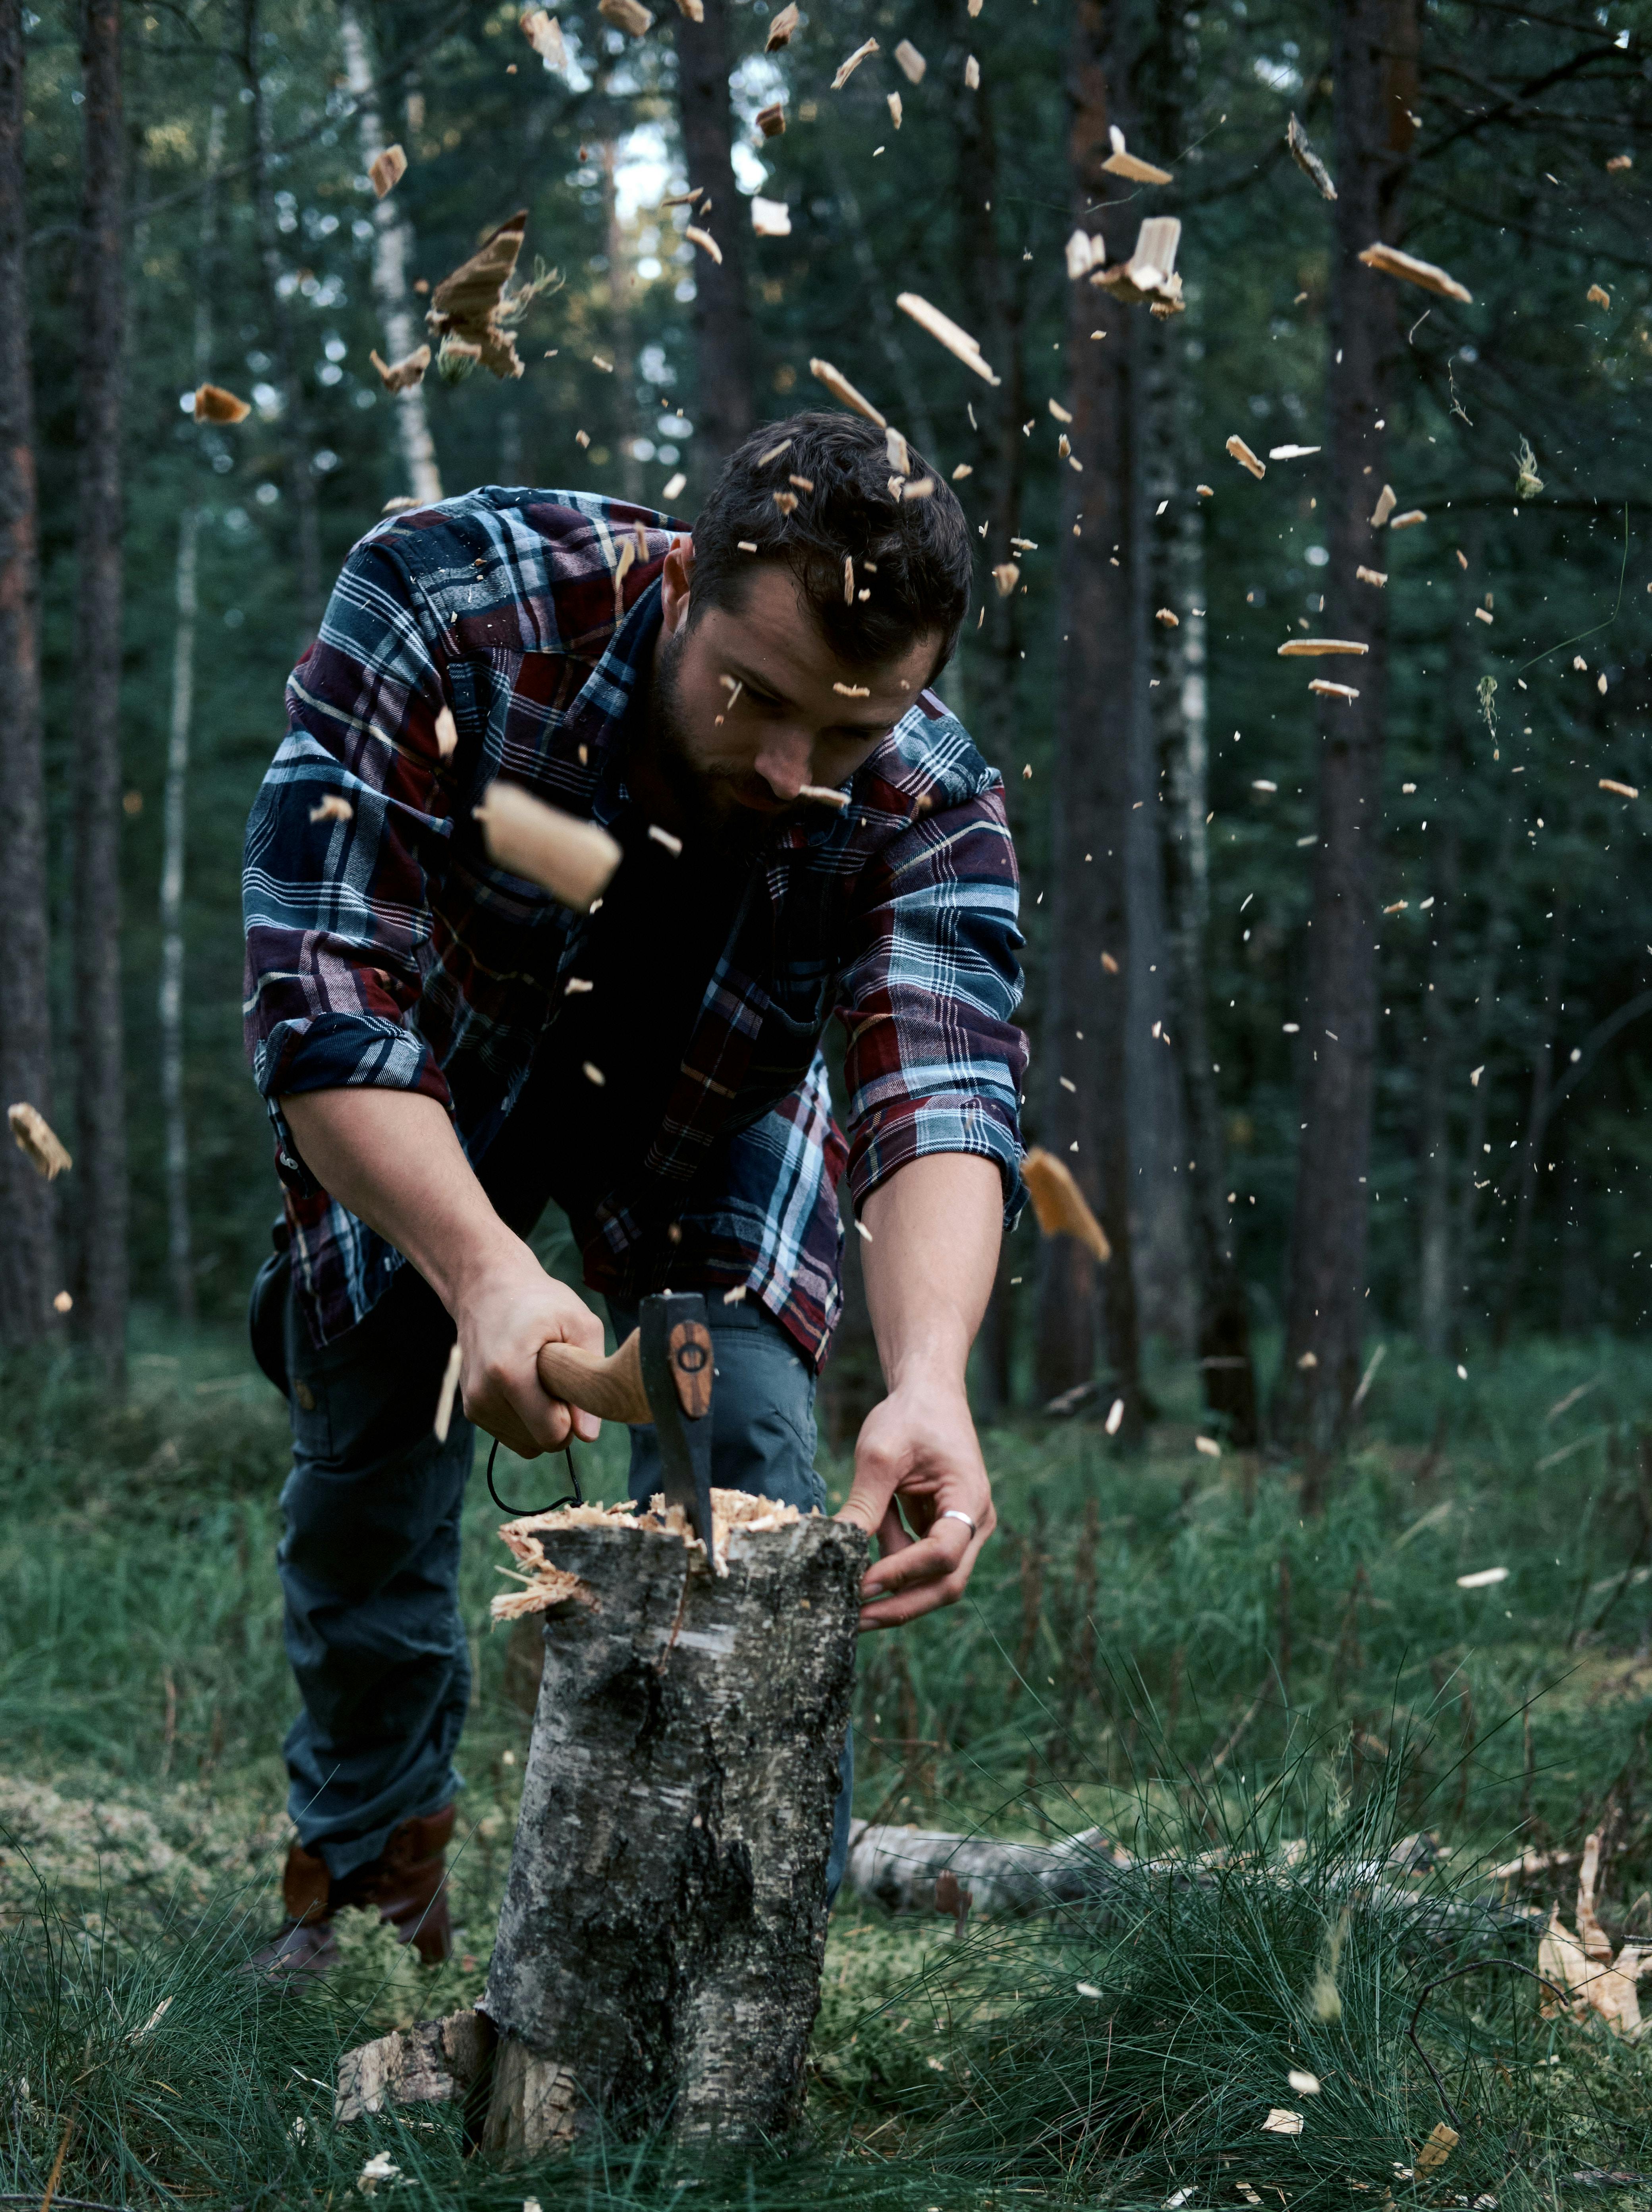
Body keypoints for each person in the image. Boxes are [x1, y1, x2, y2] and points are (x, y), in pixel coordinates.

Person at [241, 410, 1028, 1972]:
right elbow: (318, 983)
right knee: (368, 1477)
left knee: (742, 1470)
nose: (799, 770)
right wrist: (478, 1270)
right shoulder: (449, 601)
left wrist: (930, 1377)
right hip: (427, 1082)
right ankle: (365, 1882)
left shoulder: (926, 794)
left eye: (853, 733)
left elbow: (935, 1083)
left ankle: (730, 1958)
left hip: (707, 1112)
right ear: (680, 579)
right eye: (754, 697)